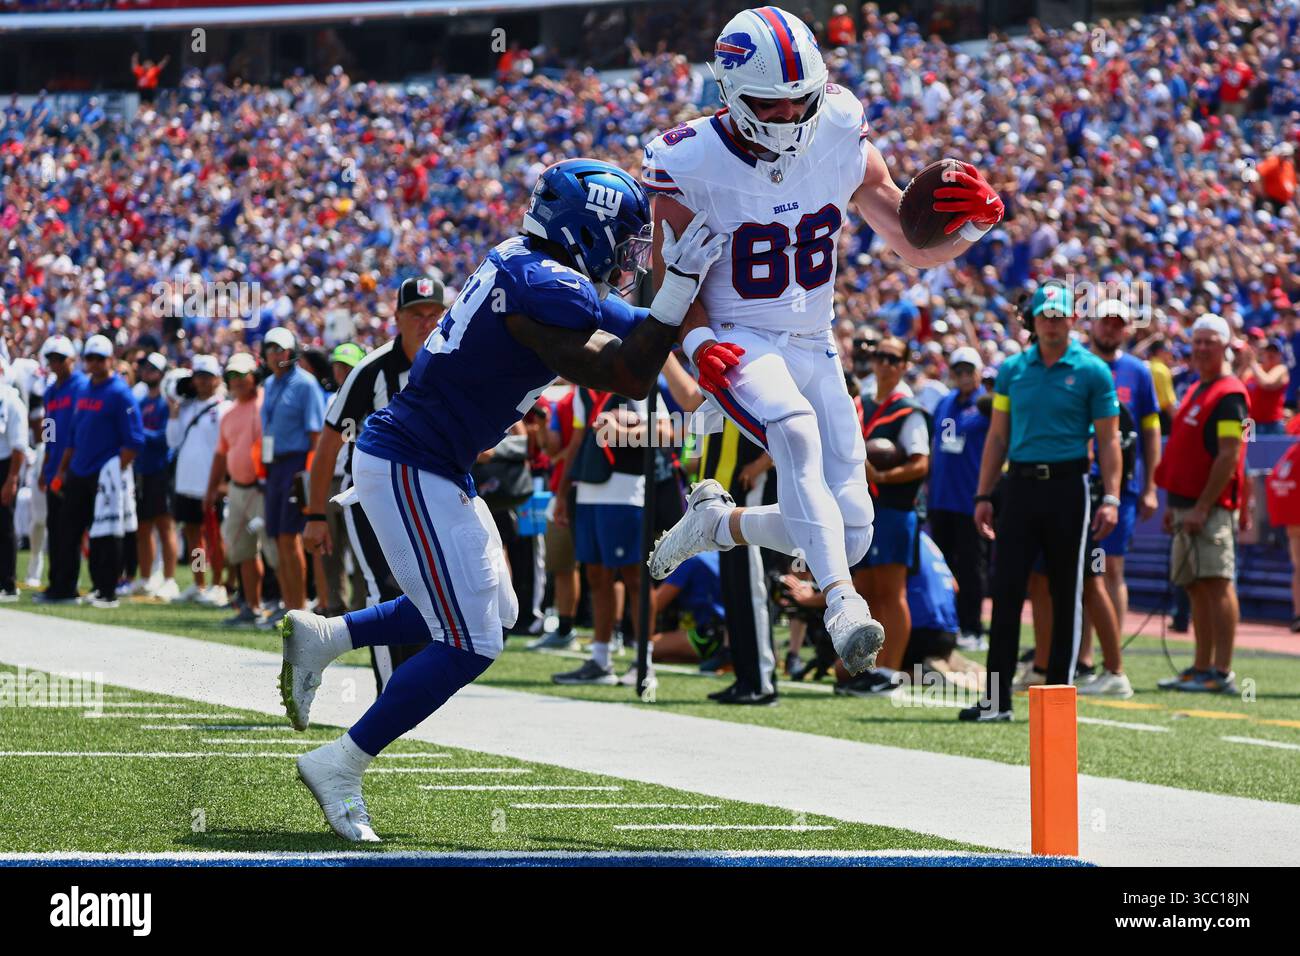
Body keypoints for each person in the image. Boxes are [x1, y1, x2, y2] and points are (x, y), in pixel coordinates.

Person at [276, 158, 724, 841]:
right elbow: (630, 364)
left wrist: (692, 319)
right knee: (471, 641)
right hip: (408, 464)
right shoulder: (541, 281)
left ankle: (331, 634)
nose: (630, 253)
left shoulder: (529, 266)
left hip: (431, 465)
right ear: (588, 226)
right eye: (625, 236)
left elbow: (635, 334)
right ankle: (342, 761)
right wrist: (681, 302)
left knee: (498, 610)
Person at [644, 6, 1004, 680]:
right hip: (739, 336)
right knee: (796, 435)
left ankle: (719, 525)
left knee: (855, 527)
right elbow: (670, 281)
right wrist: (695, 344)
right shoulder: (686, 158)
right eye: (769, 106)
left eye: (799, 102)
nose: (787, 118)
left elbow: (911, 245)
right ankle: (842, 607)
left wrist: (975, 227)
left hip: (815, 340)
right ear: (729, 93)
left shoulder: (838, 126)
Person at [964, 285, 1121, 721]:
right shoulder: (1013, 370)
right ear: (1033, 319)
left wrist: (1111, 496)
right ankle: (996, 700)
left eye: (1059, 314)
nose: (1051, 321)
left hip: (1069, 487)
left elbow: (1108, 441)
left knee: (1066, 589)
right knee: (1007, 590)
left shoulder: (1093, 371)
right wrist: (983, 493)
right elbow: (997, 436)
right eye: (1044, 314)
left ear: (1072, 319)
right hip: (1020, 486)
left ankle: (1057, 697)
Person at [306, 278, 446, 689]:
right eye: (416, 314)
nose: (426, 323)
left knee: (429, 593)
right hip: (371, 498)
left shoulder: (451, 364)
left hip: (428, 495)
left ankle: (416, 691)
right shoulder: (372, 371)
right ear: (398, 318)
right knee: (383, 587)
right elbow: (329, 443)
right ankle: (390, 693)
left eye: (434, 314)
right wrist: (316, 514)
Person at [1153, 314, 1249, 693]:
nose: (1203, 348)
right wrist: (1173, 505)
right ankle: (1201, 665)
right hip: (1184, 506)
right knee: (1193, 585)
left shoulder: (1229, 394)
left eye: (1210, 341)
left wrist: (1203, 506)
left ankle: (1222, 672)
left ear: (1226, 345)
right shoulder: (1195, 389)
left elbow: (1229, 456)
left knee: (1217, 582)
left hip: (1208, 508)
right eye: (1198, 341)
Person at [1079, 299, 1160, 697]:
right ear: (1093, 324)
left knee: (1109, 568)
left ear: (1128, 330)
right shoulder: (1076, 363)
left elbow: (1150, 432)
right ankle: (1083, 655)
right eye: (1105, 322)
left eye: (1118, 324)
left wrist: (1149, 486)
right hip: (1076, 481)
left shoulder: (1138, 373)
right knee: (1078, 570)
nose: (1111, 329)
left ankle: (1111, 658)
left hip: (1119, 488)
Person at [848, 335, 931, 694]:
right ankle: (869, 666)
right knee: (864, 589)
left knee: (891, 590)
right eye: (879, 356)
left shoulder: (908, 410)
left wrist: (880, 475)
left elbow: (921, 463)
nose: (883, 363)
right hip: (859, 507)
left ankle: (891, 670)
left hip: (894, 509)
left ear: (904, 365)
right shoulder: (858, 404)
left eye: (892, 358)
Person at [50, 335, 145, 609]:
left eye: (99, 358)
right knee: (69, 530)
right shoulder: (83, 389)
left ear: (110, 360)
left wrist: (116, 470)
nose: (93, 363)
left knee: (106, 531)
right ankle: (66, 588)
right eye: (89, 358)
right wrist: (61, 471)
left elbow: (135, 440)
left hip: (105, 472)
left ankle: (107, 590)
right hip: (78, 470)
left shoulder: (120, 392)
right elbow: (72, 435)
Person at [259, 326, 325, 628]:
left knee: (290, 537)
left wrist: (308, 475)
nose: (274, 354)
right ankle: (287, 608)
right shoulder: (270, 384)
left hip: (296, 464)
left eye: (279, 349)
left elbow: (315, 435)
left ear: (291, 351)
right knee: (276, 538)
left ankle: (298, 611)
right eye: (270, 349)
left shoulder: (306, 384)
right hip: (274, 465)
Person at [927, 345, 990, 650]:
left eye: (969, 370)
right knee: (943, 566)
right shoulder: (944, 402)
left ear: (979, 372)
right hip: (941, 498)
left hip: (970, 499)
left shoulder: (987, 404)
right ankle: (946, 624)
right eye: (958, 370)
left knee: (971, 567)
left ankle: (973, 627)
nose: (963, 376)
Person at [205, 352, 271, 626]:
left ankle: (283, 605)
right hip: (238, 488)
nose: (236, 380)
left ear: (254, 375)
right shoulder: (229, 413)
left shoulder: (266, 402)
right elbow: (221, 455)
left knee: (276, 549)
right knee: (241, 549)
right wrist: (211, 489)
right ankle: (252, 607)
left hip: (263, 487)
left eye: (241, 375)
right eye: (231, 375)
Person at [168, 355, 229, 606]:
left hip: (208, 483)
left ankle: (219, 584)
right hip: (186, 482)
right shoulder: (186, 406)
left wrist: (219, 483)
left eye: (207, 377)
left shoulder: (223, 408)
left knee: (215, 536)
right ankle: (199, 583)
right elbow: (172, 441)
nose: (201, 382)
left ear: (216, 380)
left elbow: (224, 449)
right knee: (194, 537)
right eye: (198, 377)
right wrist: (173, 414)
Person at [34, 336, 86, 604]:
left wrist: (64, 468)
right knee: (55, 528)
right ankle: (56, 584)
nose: (54, 363)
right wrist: (46, 464)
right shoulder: (51, 391)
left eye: (59, 358)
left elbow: (79, 430)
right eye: (51, 358)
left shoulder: (81, 386)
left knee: (68, 529)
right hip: (55, 466)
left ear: (71, 359)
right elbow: (50, 430)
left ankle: (68, 586)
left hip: (74, 467)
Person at [132, 352, 179, 600]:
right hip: (143, 470)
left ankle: (170, 579)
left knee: (164, 525)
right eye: (145, 367)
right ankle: (146, 577)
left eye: (152, 368)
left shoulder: (165, 402)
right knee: (143, 527)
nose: (147, 371)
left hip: (161, 470)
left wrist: (140, 434)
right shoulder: (141, 402)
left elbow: (165, 439)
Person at [0, 374, 28, 602]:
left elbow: (46, 426)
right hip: (51, 454)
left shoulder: (11, 399)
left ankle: (8, 582)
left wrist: (12, 477)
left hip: (8, 465)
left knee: (6, 524)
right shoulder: (55, 392)